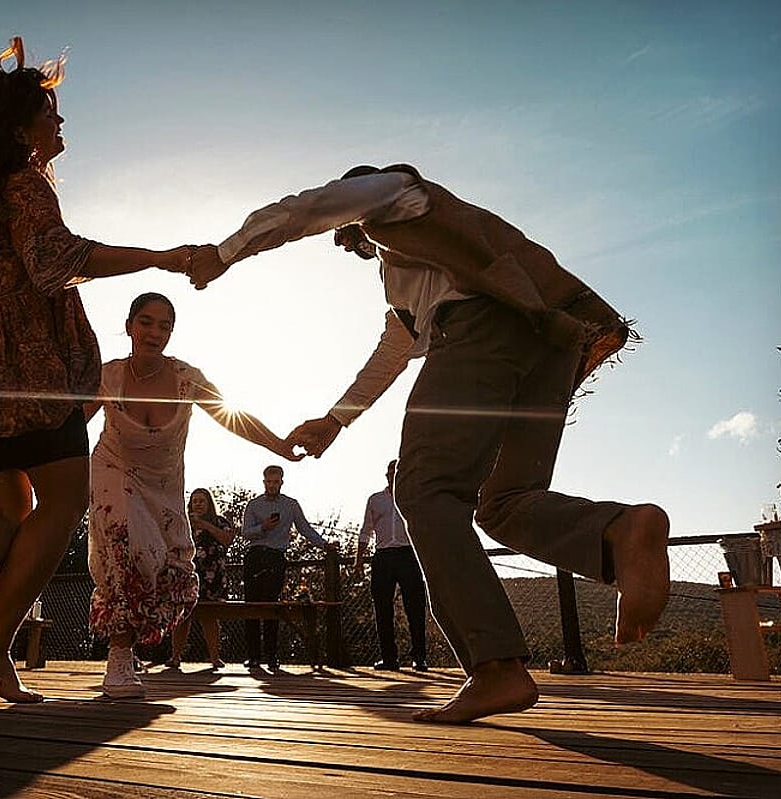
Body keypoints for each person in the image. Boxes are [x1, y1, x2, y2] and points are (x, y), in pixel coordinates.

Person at [188, 163, 670, 723]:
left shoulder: (398, 194)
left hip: (484, 328)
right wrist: (334, 420)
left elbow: (305, 209)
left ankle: (496, 668)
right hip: (546, 343)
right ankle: (617, 534)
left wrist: (222, 254)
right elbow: (396, 347)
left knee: (424, 491)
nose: (346, 243)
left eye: (347, 231)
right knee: (504, 502)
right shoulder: (412, 266)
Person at [0, 40, 203, 702]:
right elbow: (54, 259)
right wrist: (161, 256)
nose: (61, 125)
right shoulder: (26, 182)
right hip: (25, 371)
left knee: (5, 507)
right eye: (51, 114)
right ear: (22, 129)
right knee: (64, 502)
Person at [85, 293, 299, 698]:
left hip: (163, 485)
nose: (154, 332)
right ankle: (119, 659)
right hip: (112, 471)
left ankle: (132, 651)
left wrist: (278, 444)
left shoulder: (186, 377)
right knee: (126, 547)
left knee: (165, 564)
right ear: (130, 325)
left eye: (164, 326)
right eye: (146, 322)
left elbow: (231, 415)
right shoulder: (107, 376)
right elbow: (67, 423)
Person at [240, 465, 336, 669]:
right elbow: (245, 533)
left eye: (276, 481)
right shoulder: (253, 505)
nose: (272, 485)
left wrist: (324, 544)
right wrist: (262, 528)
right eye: (269, 481)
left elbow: (305, 528)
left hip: (276, 556)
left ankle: (272, 655)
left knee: (272, 606)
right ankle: (253, 655)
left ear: (282, 482)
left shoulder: (290, 505)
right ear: (264, 481)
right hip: (255, 555)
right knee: (252, 605)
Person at [356, 459, 427, 672]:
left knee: (415, 607)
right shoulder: (376, 500)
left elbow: (425, 528)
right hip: (383, 556)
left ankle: (420, 657)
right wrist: (359, 558)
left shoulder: (415, 498)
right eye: (390, 474)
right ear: (386, 475)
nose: (393, 477)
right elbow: (366, 529)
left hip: (409, 555)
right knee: (382, 609)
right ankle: (389, 658)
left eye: (397, 473)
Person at [169, 487, 235, 669]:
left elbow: (227, 540)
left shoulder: (219, 521)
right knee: (183, 615)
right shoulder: (183, 523)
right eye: (195, 501)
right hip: (189, 573)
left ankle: (214, 658)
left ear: (209, 504)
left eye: (202, 501)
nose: (198, 504)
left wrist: (206, 526)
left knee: (209, 617)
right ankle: (175, 657)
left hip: (211, 576)